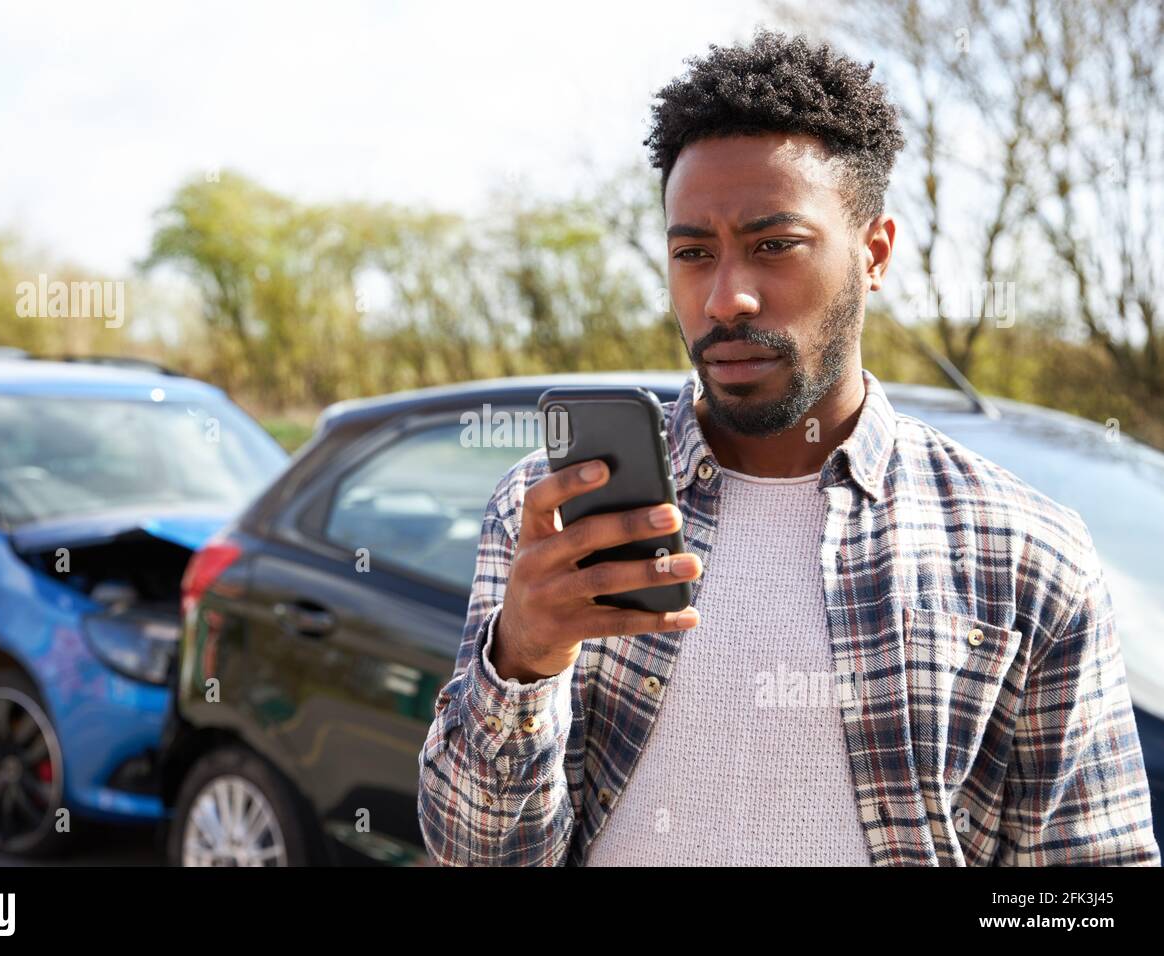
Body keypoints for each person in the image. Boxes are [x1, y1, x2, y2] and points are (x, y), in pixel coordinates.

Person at [416, 29, 1160, 866]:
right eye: (693, 253)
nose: (726, 296)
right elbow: (475, 854)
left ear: (873, 254)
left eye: (775, 245)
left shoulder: (1025, 552)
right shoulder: (552, 513)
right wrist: (520, 661)